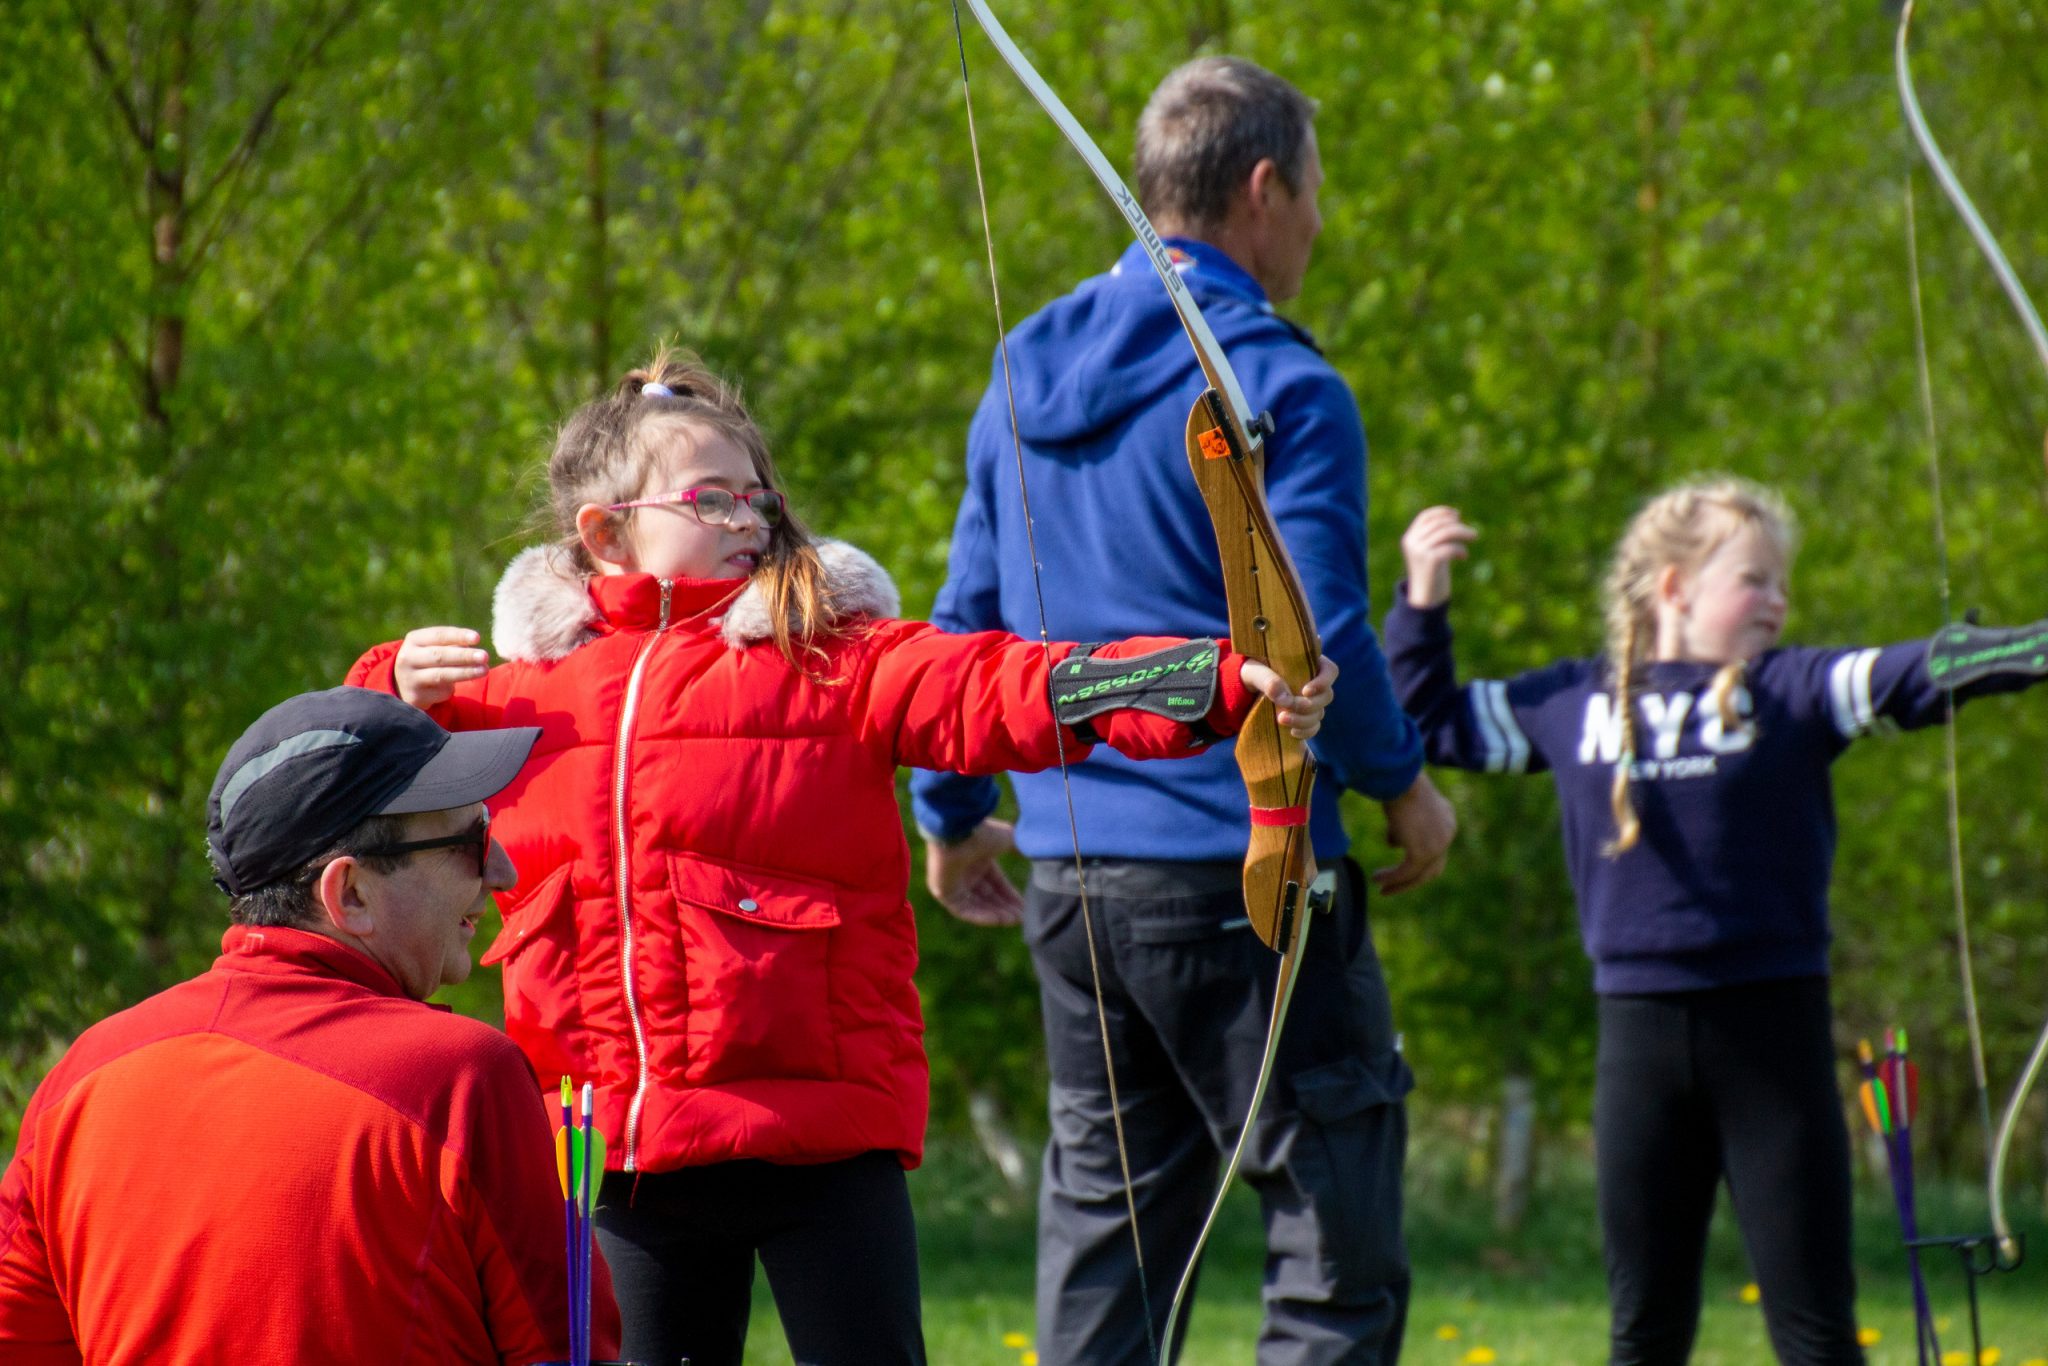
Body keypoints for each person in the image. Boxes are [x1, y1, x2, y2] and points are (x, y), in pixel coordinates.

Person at [344, 349, 1336, 1366]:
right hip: (618, 1157)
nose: (748, 519)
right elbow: (337, 778)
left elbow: (1000, 687)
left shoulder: (834, 656)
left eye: (758, 499)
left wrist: (1213, 682)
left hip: (822, 1139)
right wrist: (391, 686)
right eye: (712, 498)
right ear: (605, 533)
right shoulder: (514, 701)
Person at [910, 55, 1457, 1365]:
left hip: (1072, 881)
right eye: (1313, 191)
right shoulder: (1279, 380)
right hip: (1244, 870)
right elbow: (1311, 630)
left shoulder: (1023, 363)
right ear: (1262, 188)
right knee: (1332, 1254)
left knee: (1107, 1261)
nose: (1318, 221)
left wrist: (951, 812)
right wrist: (1404, 785)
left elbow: (965, 618)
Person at [1387, 480, 2048, 1365]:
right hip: (1638, 1040)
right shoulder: (1572, 702)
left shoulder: (1793, 689)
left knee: (1815, 1331)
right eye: (1754, 579)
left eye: (1783, 583)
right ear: (1674, 587)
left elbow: (1926, 669)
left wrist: (2033, 647)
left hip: (1774, 1039)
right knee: (1645, 1331)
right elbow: (1423, 722)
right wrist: (1422, 598)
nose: (1777, 599)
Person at [0, 686, 622, 1364]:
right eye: (470, 842)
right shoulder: (464, 1080)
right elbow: (569, 1350)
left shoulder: (78, 1080)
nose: (501, 872)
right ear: (349, 893)